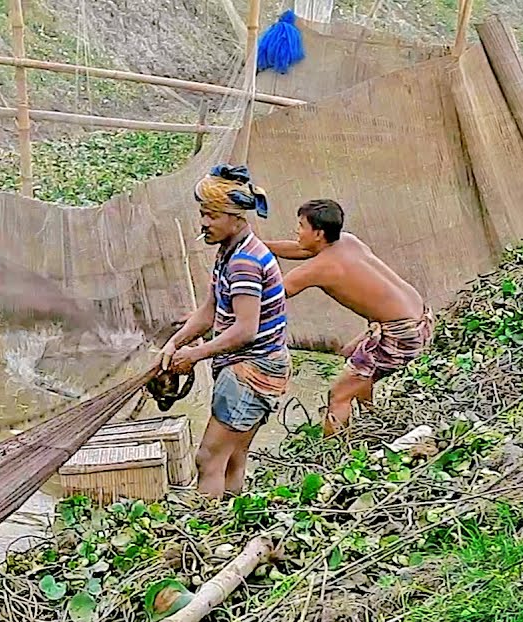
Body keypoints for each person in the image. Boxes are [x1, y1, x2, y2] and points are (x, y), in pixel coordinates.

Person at [162, 164, 291, 499]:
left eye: (211, 216)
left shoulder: (245, 261)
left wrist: (195, 354)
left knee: (208, 459)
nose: (204, 223)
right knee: (233, 457)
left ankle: (203, 530)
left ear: (236, 218)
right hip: (257, 364)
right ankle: (229, 528)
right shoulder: (230, 251)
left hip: (253, 367)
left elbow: (245, 330)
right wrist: (175, 342)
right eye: (203, 214)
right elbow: (209, 311)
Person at [265, 198, 432, 436]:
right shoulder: (348, 241)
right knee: (355, 360)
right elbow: (301, 248)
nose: (297, 231)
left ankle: (330, 457)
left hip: (400, 333)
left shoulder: (319, 268)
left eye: (301, 226)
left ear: (319, 233)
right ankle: (372, 421)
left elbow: (270, 297)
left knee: (339, 395)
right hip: (421, 316)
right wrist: (257, 245)